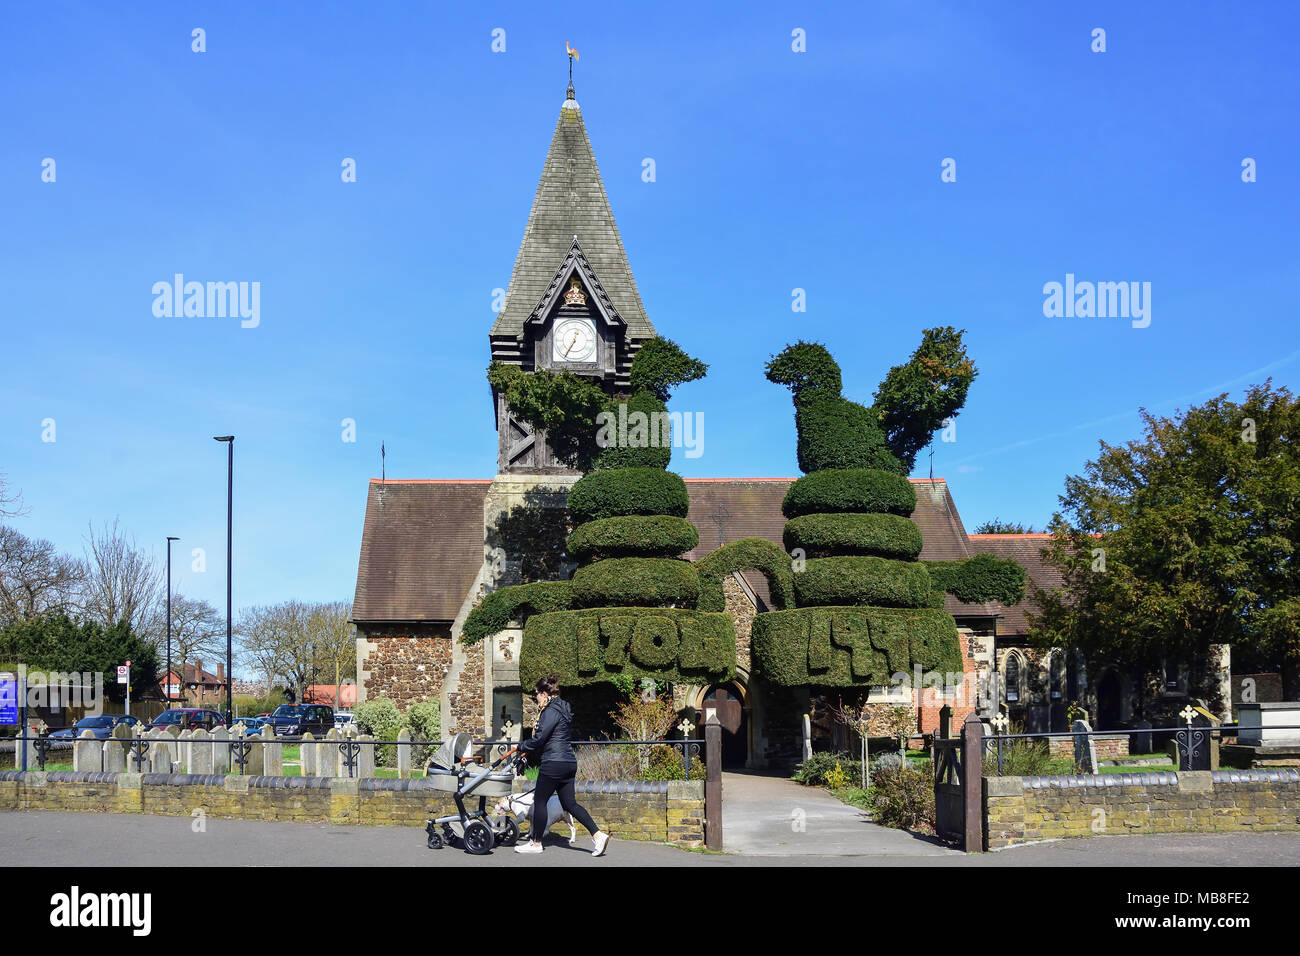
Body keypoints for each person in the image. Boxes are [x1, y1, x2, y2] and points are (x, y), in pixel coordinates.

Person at [515, 675, 609, 856]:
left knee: (540, 801)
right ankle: (598, 835)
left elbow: (540, 739)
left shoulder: (550, 711)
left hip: (553, 762)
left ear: (544, 693)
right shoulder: (564, 708)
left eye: (537, 694)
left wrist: (521, 746)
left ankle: (535, 843)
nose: (536, 698)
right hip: (568, 762)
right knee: (569, 803)